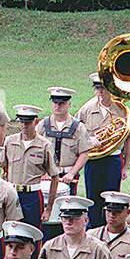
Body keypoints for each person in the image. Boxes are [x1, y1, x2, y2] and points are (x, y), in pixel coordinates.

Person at [77, 72, 130, 227]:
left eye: (103, 88)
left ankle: (111, 232)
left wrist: (126, 167)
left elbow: (129, 138)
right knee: (93, 200)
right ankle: (94, 231)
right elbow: (74, 131)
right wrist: (88, 140)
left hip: (113, 160)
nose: (100, 92)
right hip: (93, 160)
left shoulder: (121, 110)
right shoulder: (87, 108)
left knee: (112, 200)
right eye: (97, 88)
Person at [39, 86, 92, 242]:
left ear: (69, 104)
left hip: (67, 176)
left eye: (61, 103)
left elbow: (84, 153)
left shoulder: (77, 127)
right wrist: (40, 172)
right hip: (46, 178)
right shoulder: (44, 125)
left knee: (66, 214)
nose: (57, 106)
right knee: (44, 215)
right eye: (54, 103)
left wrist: (71, 173)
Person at [4, 104, 59, 241]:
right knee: (11, 233)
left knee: (33, 234)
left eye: (28, 122)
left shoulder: (44, 145)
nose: (24, 125)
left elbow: (55, 176)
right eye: (21, 121)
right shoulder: (9, 142)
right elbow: (4, 168)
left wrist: (49, 208)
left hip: (32, 196)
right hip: (12, 194)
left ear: (36, 121)